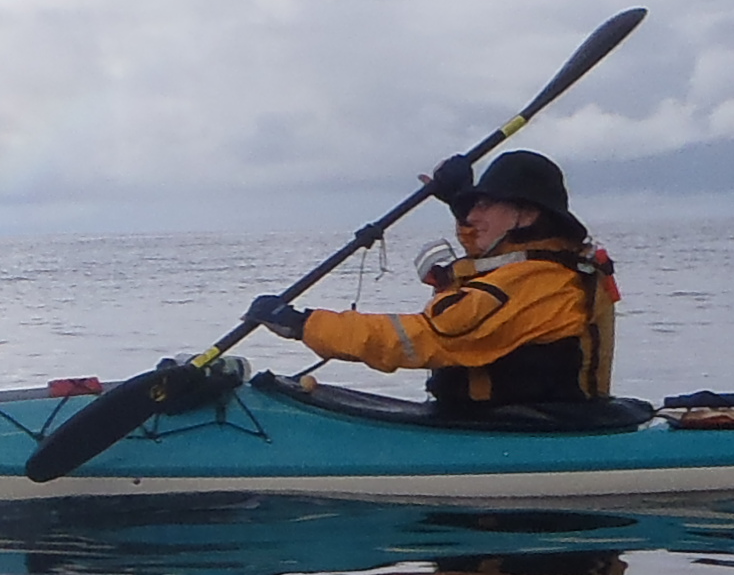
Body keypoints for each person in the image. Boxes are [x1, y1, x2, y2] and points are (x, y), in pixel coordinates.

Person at [248, 148, 620, 412]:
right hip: (501, 421)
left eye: (485, 204)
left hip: (529, 430)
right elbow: (481, 254)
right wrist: (456, 199)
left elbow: (423, 337)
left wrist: (305, 325)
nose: (472, 216)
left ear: (525, 216)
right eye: (470, 206)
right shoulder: (532, 269)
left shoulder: (540, 285)